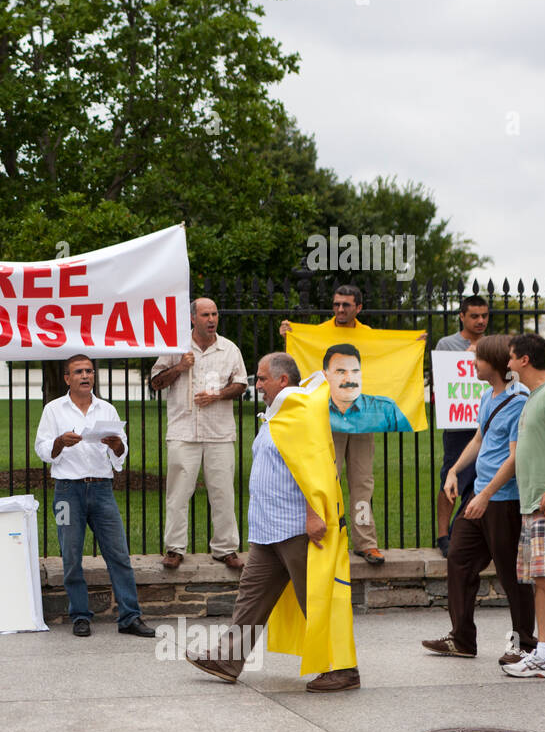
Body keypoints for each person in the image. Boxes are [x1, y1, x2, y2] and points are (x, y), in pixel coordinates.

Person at [185, 353, 361, 692]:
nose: (258, 385)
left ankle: (344, 669)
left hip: (296, 528)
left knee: (317, 599)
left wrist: (314, 514)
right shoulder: (283, 412)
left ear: (283, 380)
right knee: (251, 597)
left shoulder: (299, 411)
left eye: (263, 378)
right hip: (269, 530)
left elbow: (317, 464)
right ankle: (227, 658)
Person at [423, 334, 535, 662]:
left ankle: (525, 644)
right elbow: (479, 437)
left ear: (496, 364)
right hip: (481, 495)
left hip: (503, 500)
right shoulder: (489, 395)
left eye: (478, 359)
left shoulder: (518, 401)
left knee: (511, 574)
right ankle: (462, 639)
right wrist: (454, 470)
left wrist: (486, 494)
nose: (473, 364)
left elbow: (514, 458)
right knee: (458, 559)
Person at [34, 354, 153, 638]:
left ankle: (130, 616)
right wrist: (60, 442)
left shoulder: (107, 409)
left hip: (101, 489)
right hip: (66, 491)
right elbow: (41, 449)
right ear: (67, 378)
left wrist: (116, 445)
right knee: (71, 554)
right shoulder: (53, 410)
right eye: (78, 372)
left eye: (89, 371)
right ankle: (79, 615)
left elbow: (121, 454)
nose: (85, 376)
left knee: (118, 554)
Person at [282, 285, 385, 564]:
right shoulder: (319, 334)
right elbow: (301, 364)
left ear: (359, 308)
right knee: (329, 480)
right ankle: (327, 536)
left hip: (363, 422)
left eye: (346, 305)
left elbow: (389, 360)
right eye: (336, 304)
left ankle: (366, 542)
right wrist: (291, 337)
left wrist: (414, 343)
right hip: (328, 420)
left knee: (362, 483)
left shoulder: (371, 337)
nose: (340, 310)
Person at [150, 297, 247, 570]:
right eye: (205, 314)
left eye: (215, 313)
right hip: (183, 431)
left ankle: (225, 548)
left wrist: (217, 395)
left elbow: (240, 384)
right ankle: (175, 548)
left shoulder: (229, 349)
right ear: (193, 318)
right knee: (178, 492)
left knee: (223, 492)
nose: (211, 319)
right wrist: (180, 367)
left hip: (219, 432)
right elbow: (155, 382)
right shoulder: (175, 347)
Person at [502, 334, 545, 679]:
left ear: (524, 359)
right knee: (544, 580)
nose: (507, 365)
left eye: (511, 358)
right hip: (536, 504)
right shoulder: (535, 396)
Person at [435, 296, 490, 556]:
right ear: (462, 316)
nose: (480, 321)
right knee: (452, 476)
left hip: (488, 422)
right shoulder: (447, 344)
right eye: (474, 316)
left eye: (484, 316)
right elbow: (444, 379)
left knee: (484, 478)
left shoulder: (494, 344)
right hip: (458, 424)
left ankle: (469, 532)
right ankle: (443, 535)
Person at [323, 344, 412, 433]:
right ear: (325, 375)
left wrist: (414, 344)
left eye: (355, 371)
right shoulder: (315, 411)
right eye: (341, 372)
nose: (349, 379)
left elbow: (407, 441)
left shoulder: (386, 409)